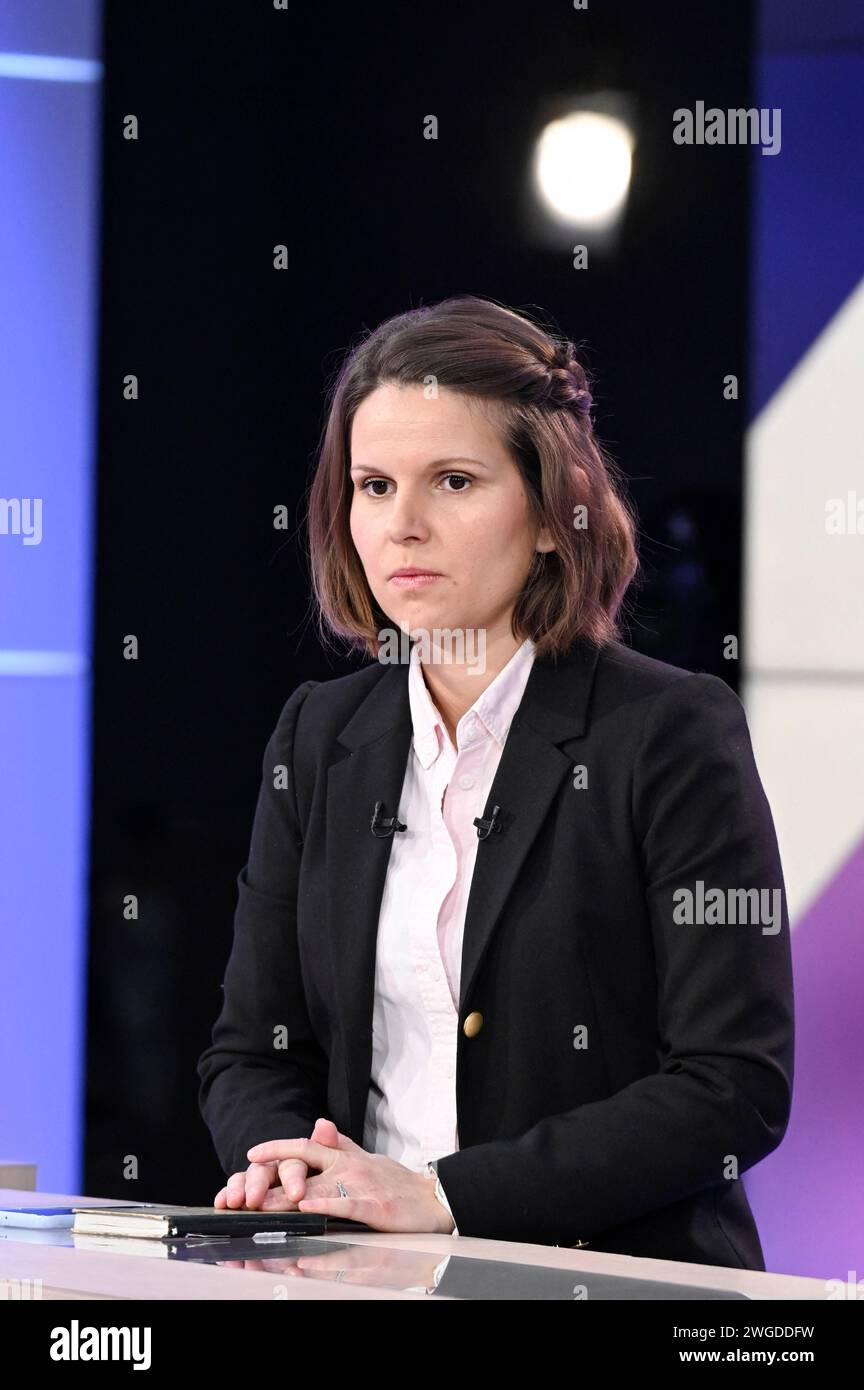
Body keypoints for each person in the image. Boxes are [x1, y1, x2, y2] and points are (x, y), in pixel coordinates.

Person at [196, 295, 794, 1269]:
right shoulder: (317, 734)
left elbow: (731, 1087)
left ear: (559, 515)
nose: (404, 525)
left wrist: (439, 1197)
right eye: (375, 485)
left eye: (455, 481)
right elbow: (252, 1050)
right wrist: (294, 1169)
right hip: (358, 1281)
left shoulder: (670, 730)